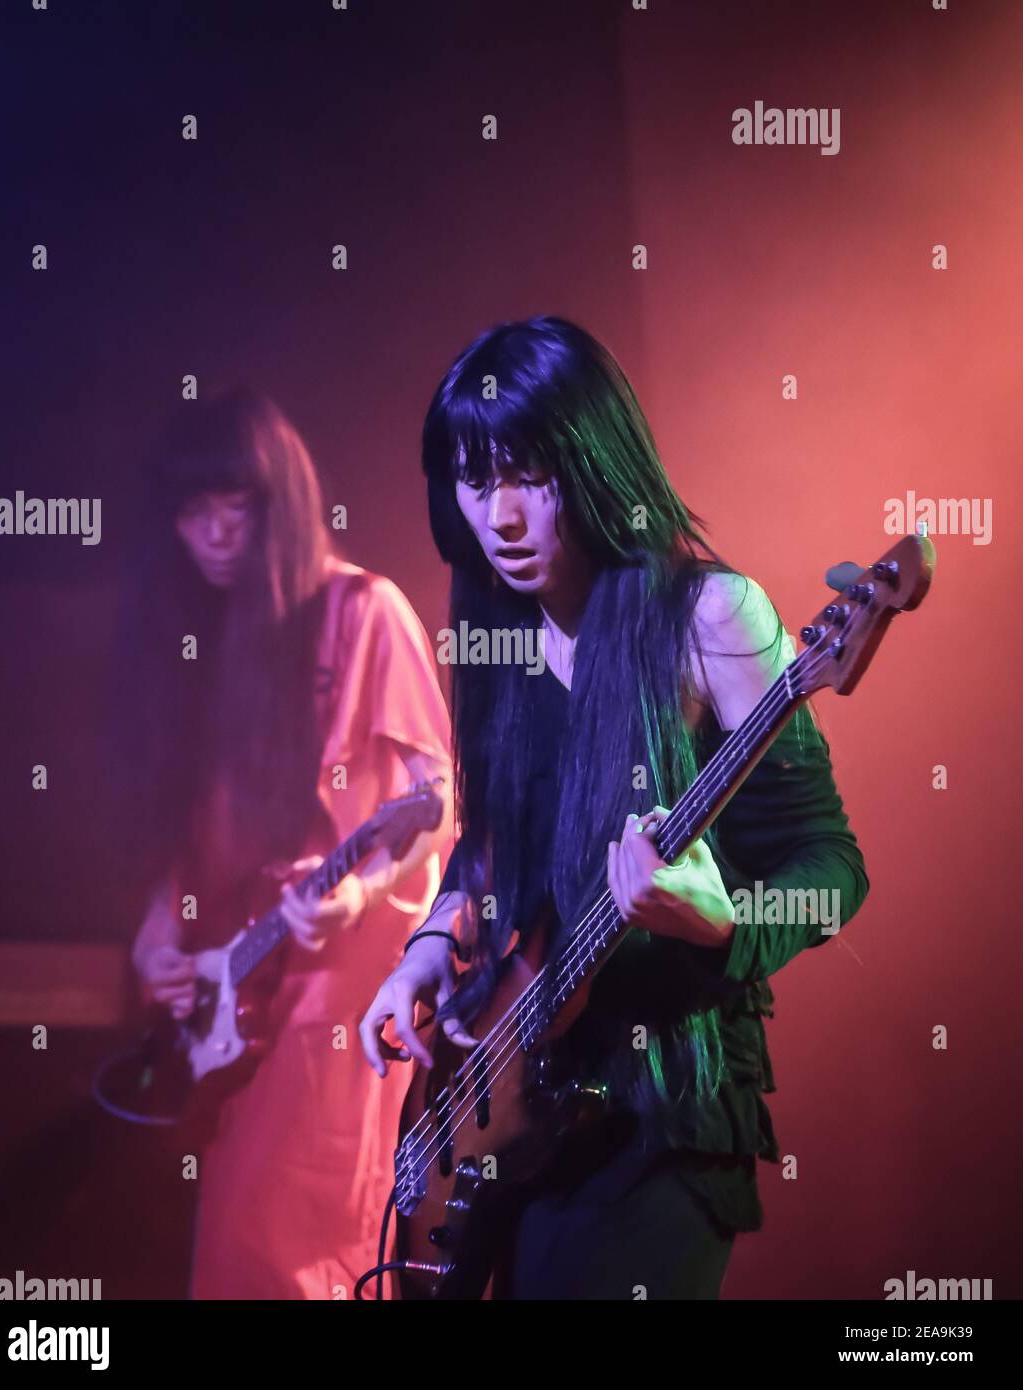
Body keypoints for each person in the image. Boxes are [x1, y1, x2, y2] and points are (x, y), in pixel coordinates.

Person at [358, 315, 869, 1300]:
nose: (499, 514)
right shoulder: (499, 633)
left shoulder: (711, 616)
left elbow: (830, 862)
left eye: (529, 475)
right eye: (474, 478)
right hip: (524, 1104)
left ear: (594, 463)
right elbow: (493, 841)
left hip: (656, 1112)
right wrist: (430, 943)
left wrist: (723, 924)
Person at [124, 387, 453, 1298]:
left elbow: (436, 805)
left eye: (238, 505)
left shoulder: (365, 610)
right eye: (194, 512)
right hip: (241, 998)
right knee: (231, 1255)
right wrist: (159, 933)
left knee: (313, 1254)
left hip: (343, 991)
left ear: (285, 502)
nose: (216, 534)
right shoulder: (218, 640)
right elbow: (200, 826)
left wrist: (357, 891)